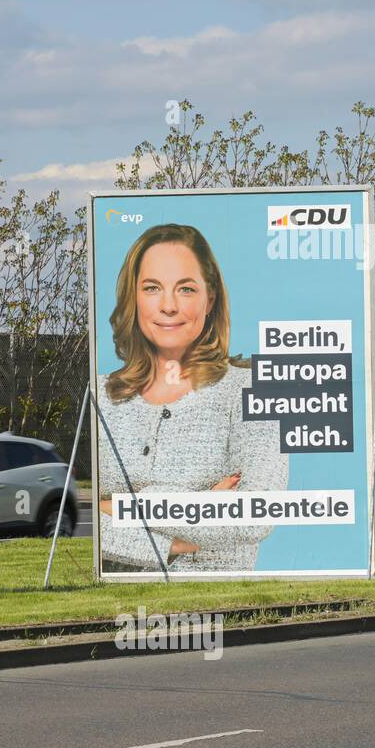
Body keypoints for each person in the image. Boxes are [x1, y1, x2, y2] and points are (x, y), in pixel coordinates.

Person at [96, 224, 288, 573]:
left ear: (209, 298)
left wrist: (117, 506)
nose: (168, 306)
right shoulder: (100, 395)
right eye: (152, 288)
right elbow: (82, 527)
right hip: (110, 604)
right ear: (133, 297)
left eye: (185, 289)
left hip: (216, 606)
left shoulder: (250, 392)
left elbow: (256, 516)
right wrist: (187, 524)